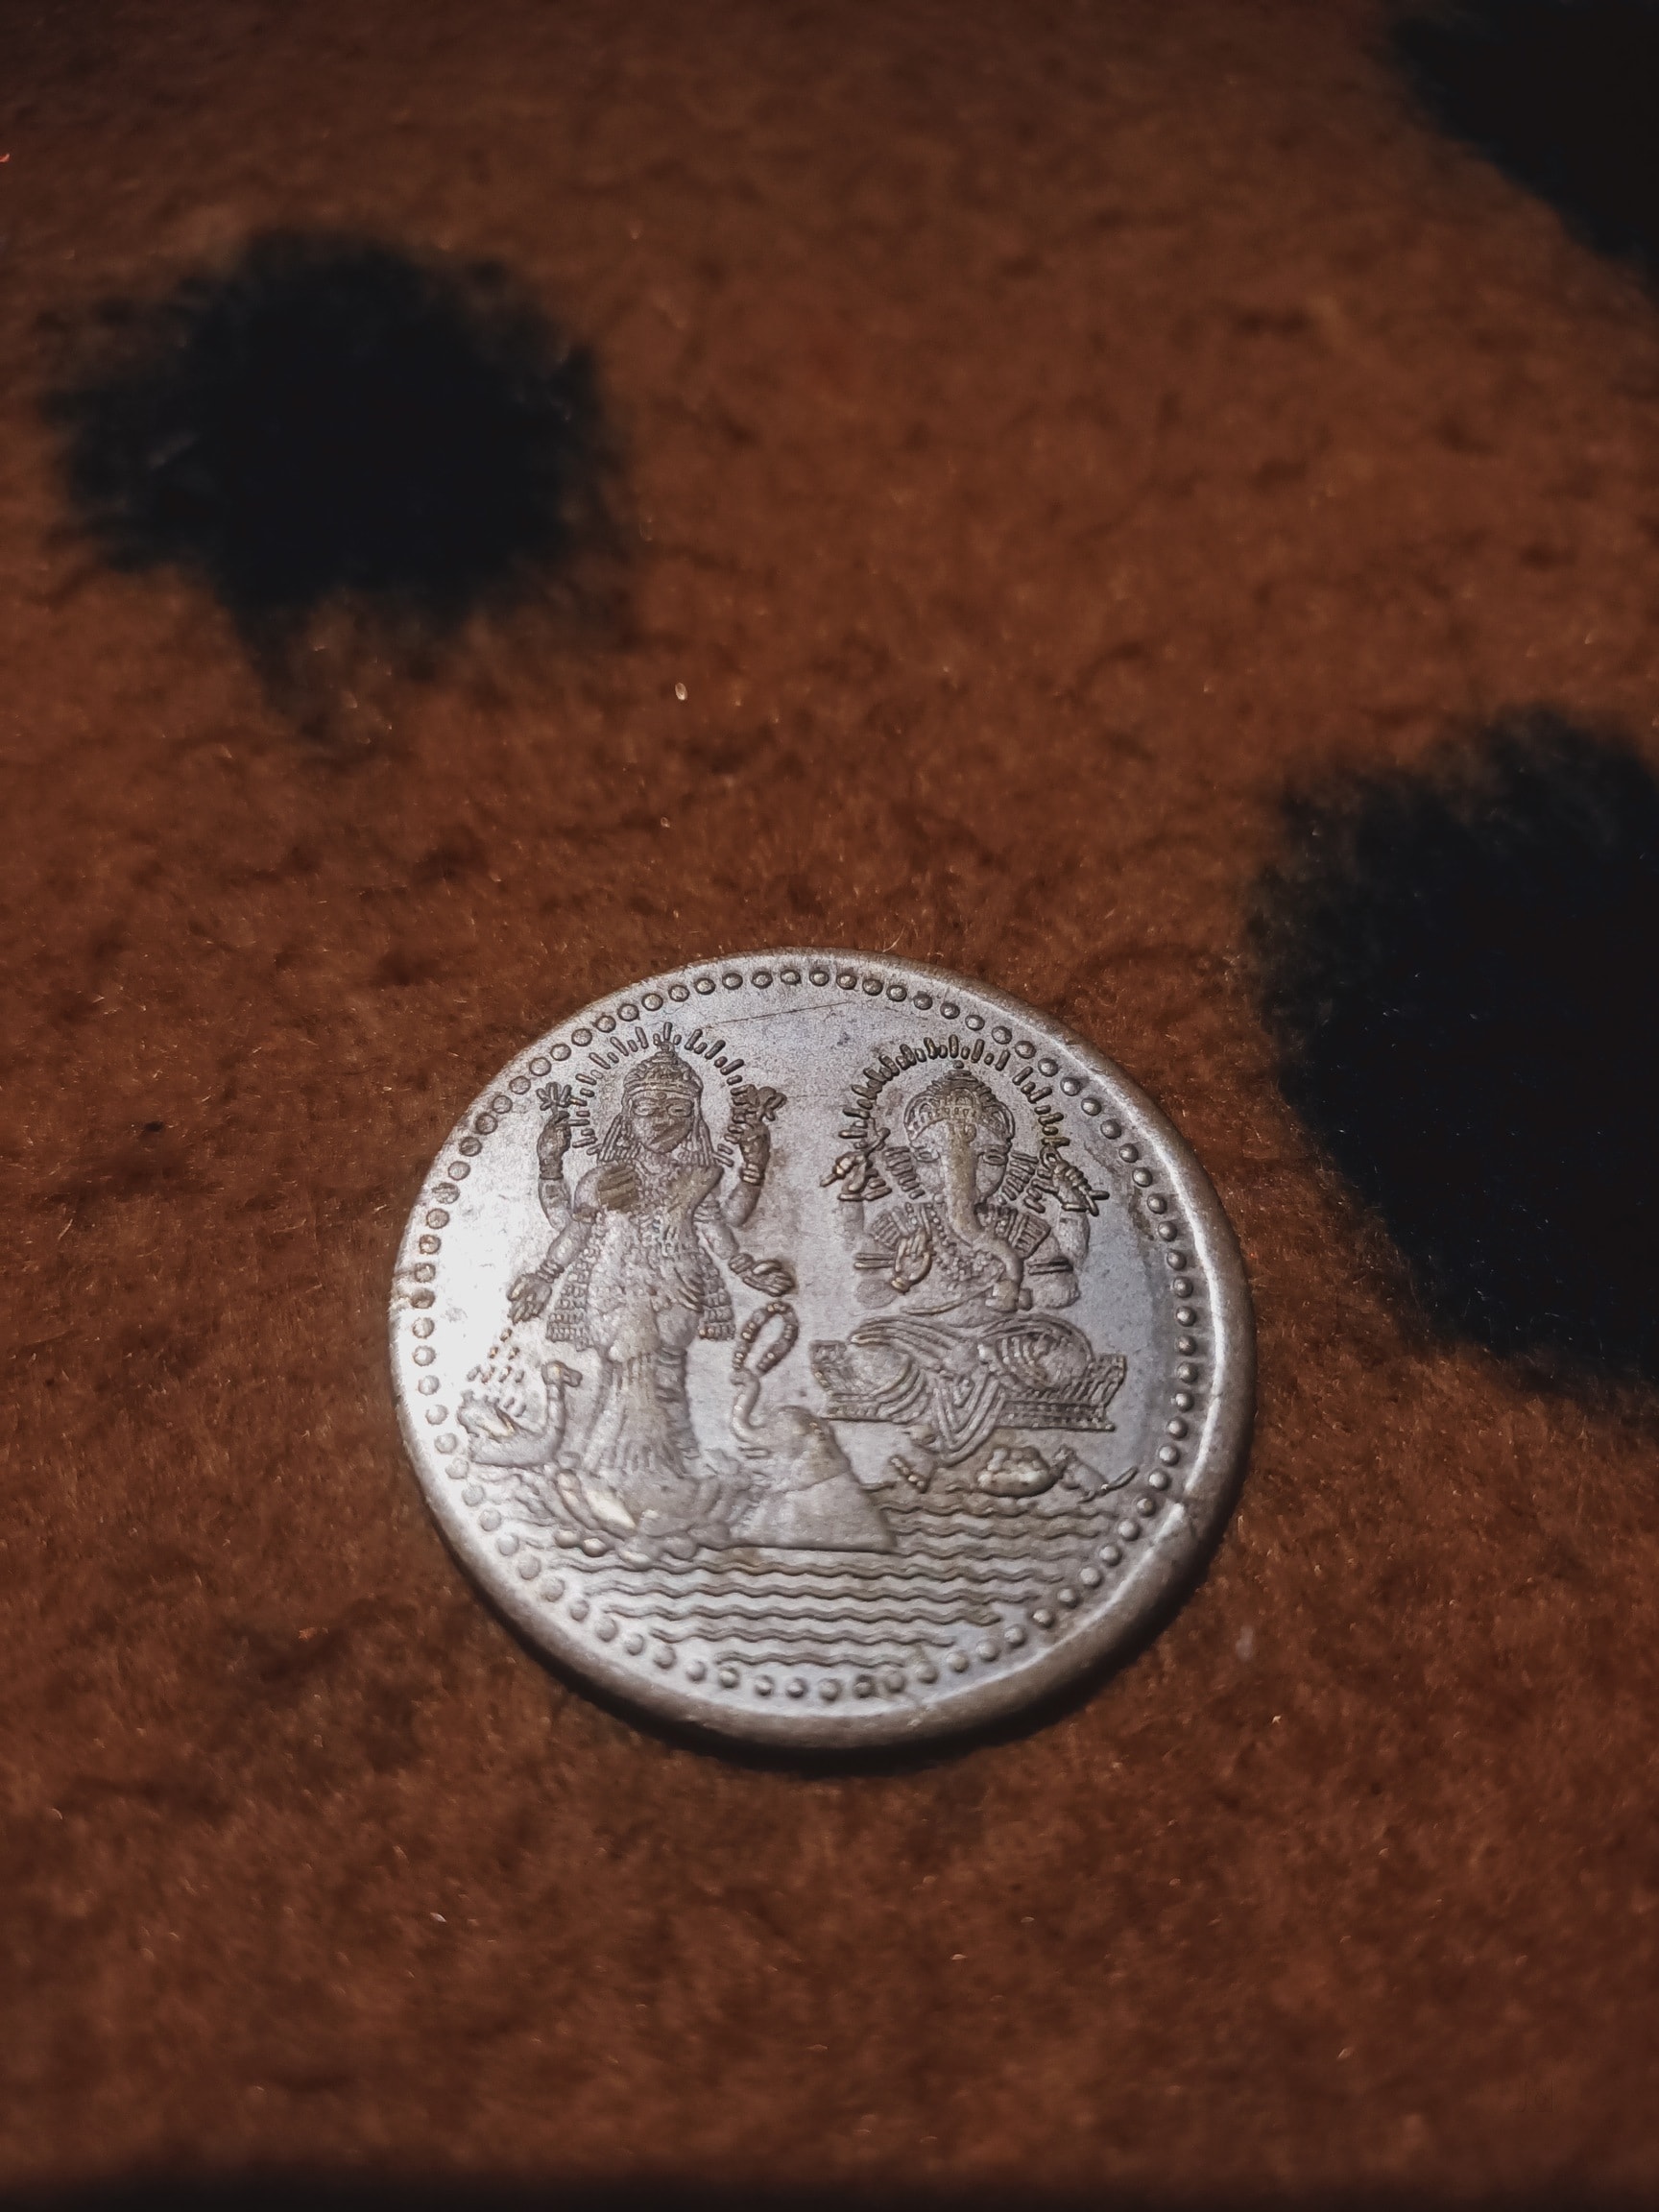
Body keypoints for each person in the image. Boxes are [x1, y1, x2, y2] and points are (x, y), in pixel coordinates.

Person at [506, 1036, 791, 1531]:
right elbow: (571, 1225)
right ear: (627, 1114)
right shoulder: (603, 1177)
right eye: (648, 1109)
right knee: (624, 1373)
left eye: (677, 1110)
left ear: (694, 1118)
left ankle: (679, 1463)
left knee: (670, 1377)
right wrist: (545, 1269)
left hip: (680, 1282)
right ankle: (610, 1469)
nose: (662, 1121)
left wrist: (754, 1171)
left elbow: (723, 1227)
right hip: (616, 1283)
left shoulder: (698, 1177)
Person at [811, 1068, 1121, 1485]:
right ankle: (955, 1437)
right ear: (911, 1162)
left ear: (1009, 1163)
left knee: (1067, 1357)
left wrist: (1023, 1296)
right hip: (919, 1340)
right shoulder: (901, 1223)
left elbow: (1063, 1288)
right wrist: (900, 1280)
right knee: (863, 1354)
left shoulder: (1021, 1227)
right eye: (929, 1157)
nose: (962, 1176)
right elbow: (866, 1294)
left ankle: (930, 1441)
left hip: (1001, 1341)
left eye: (989, 1159)